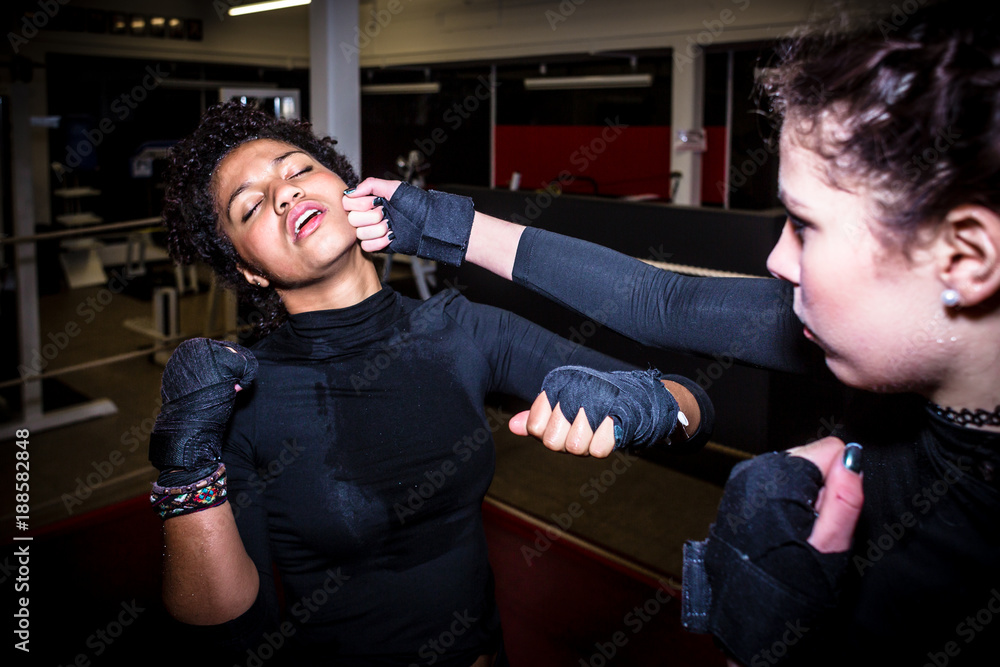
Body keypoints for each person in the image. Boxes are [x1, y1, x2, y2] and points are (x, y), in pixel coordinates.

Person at [344, 1, 1000, 664]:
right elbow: (663, 299)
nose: (777, 259)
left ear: (967, 257)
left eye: (805, 225)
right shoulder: (883, 364)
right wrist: (443, 225)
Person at [150, 100, 713, 666]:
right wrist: (187, 474)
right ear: (248, 270)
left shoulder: (463, 328)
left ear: (351, 191)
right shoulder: (240, 395)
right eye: (251, 207)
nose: (284, 193)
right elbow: (227, 634)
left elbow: (695, 410)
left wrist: (645, 406)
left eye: (297, 170)